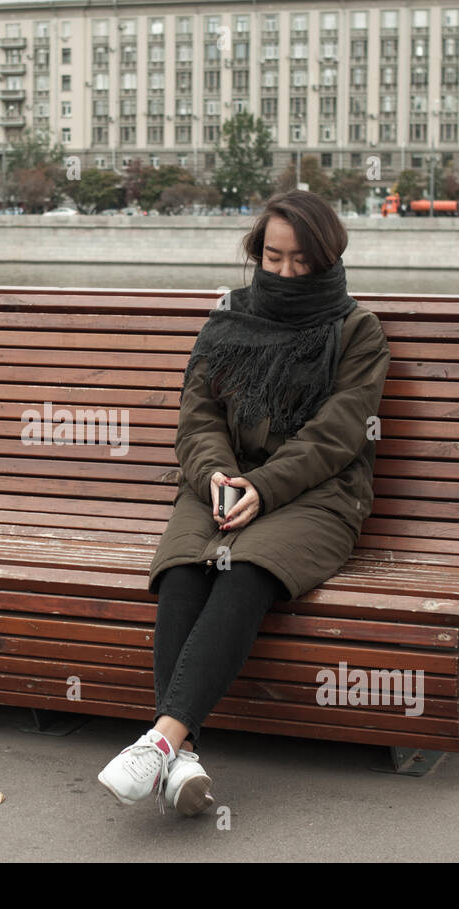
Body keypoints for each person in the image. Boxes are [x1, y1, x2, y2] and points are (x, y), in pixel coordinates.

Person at [97, 190, 392, 816]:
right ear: (256, 253)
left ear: (328, 257)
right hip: (221, 482)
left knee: (246, 569)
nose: (284, 273)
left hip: (318, 496)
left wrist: (264, 488)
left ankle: (159, 740)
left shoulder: (357, 331)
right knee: (183, 564)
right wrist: (219, 477)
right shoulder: (229, 316)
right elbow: (197, 416)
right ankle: (180, 759)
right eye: (273, 257)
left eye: (301, 261)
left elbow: (338, 434)